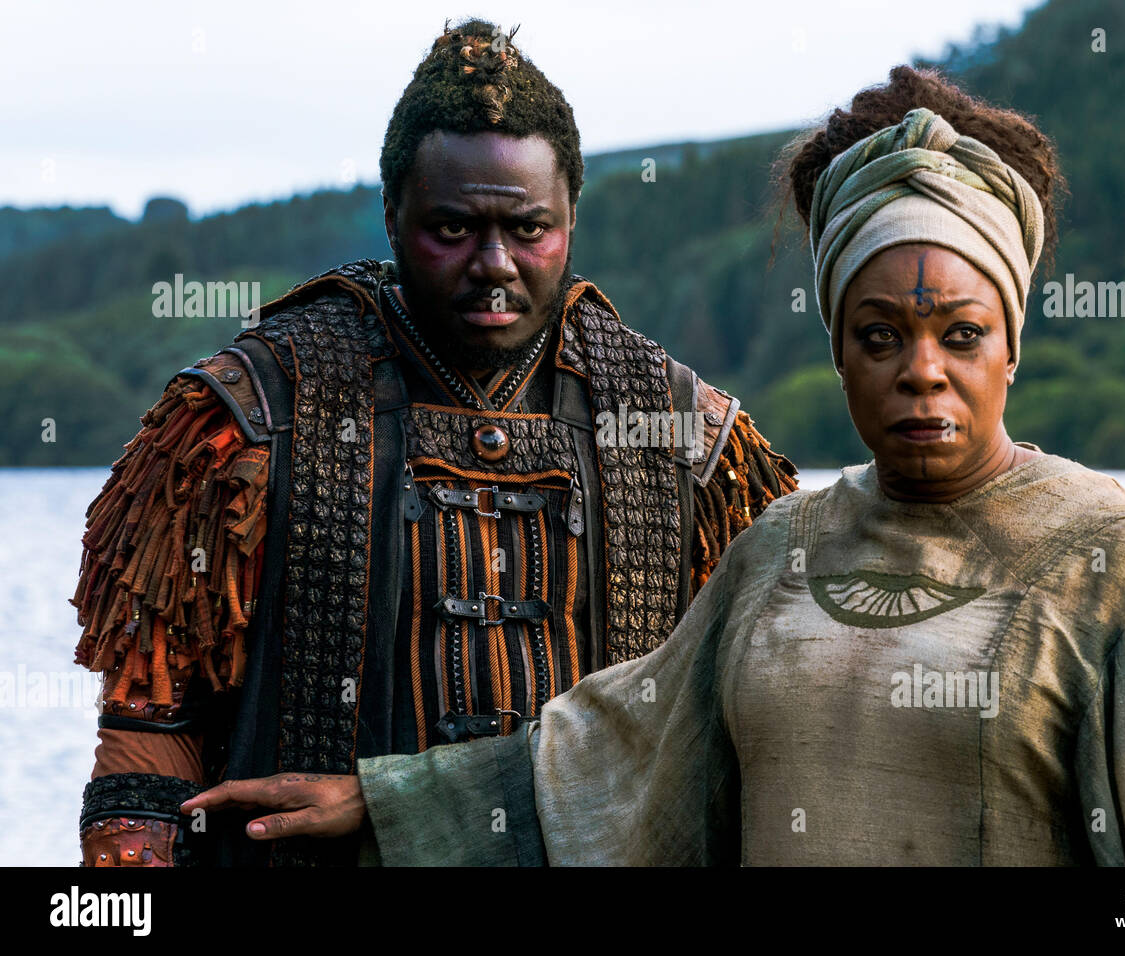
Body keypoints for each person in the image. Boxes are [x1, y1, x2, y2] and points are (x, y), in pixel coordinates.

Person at [183, 66, 1125, 866]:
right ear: (834, 348)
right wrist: (383, 803)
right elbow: (601, 756)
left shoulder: (1121, 575)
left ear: (1012, 341)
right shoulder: (781, 554)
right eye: (876, 336)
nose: (921, 373)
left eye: (958, 334)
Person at [71, 18, 797, 867]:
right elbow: (151, 726)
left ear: (571, 218)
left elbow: (753, 723)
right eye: (452, 229)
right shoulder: (248, 417)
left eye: (529, 230)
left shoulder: (686, 437)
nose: (493, 262)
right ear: (392, 215)